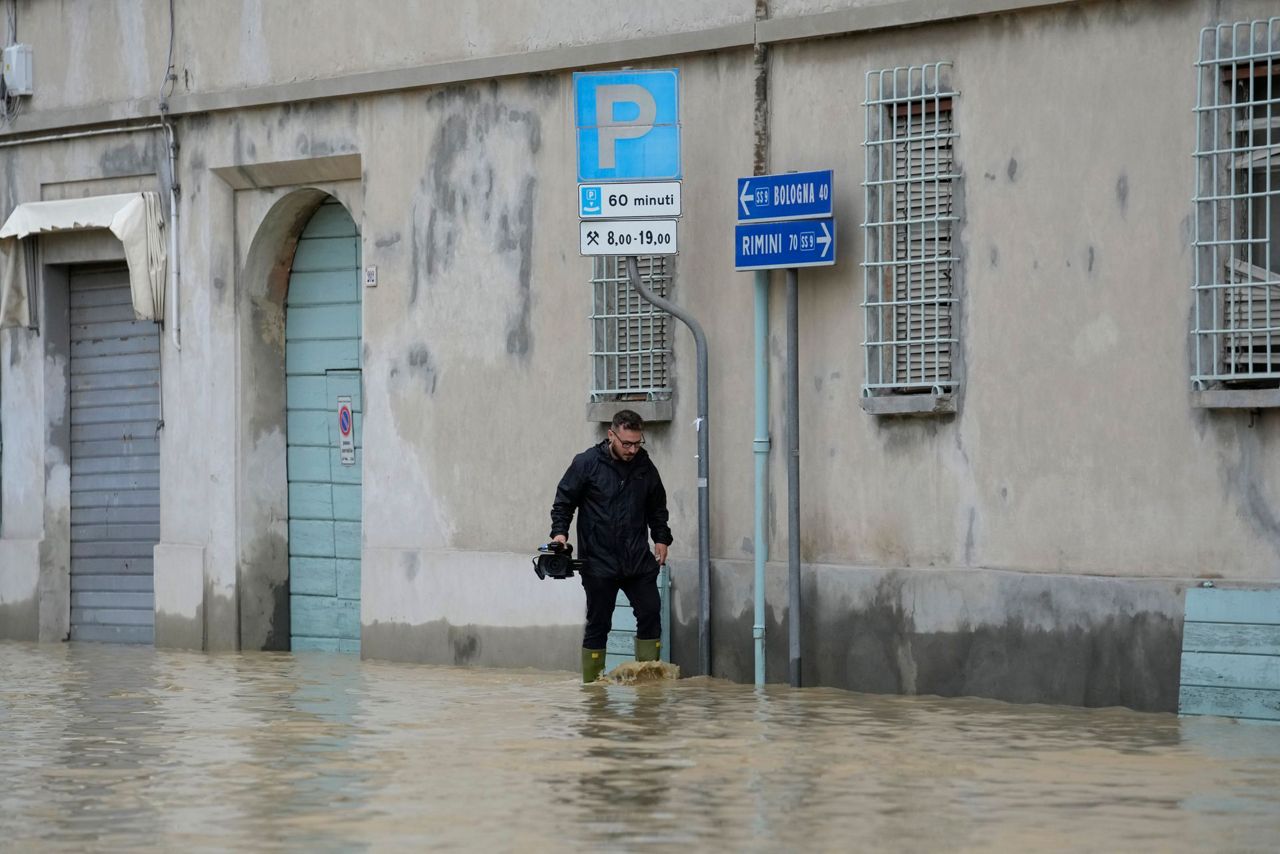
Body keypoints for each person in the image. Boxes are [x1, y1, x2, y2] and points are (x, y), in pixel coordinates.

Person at [550, 409, 672, 683]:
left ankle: (647, 687)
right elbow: (564, 502)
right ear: (611, 435)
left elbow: (657, 506)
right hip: (598, 561)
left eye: (637, 443)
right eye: (626, 443)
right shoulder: (586, 464)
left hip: (637, 560)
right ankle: (594, 690)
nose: (632, 449)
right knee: (599, 623)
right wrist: (560, 535)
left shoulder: (645, 467)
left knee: (651, 613)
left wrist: (661, 537)